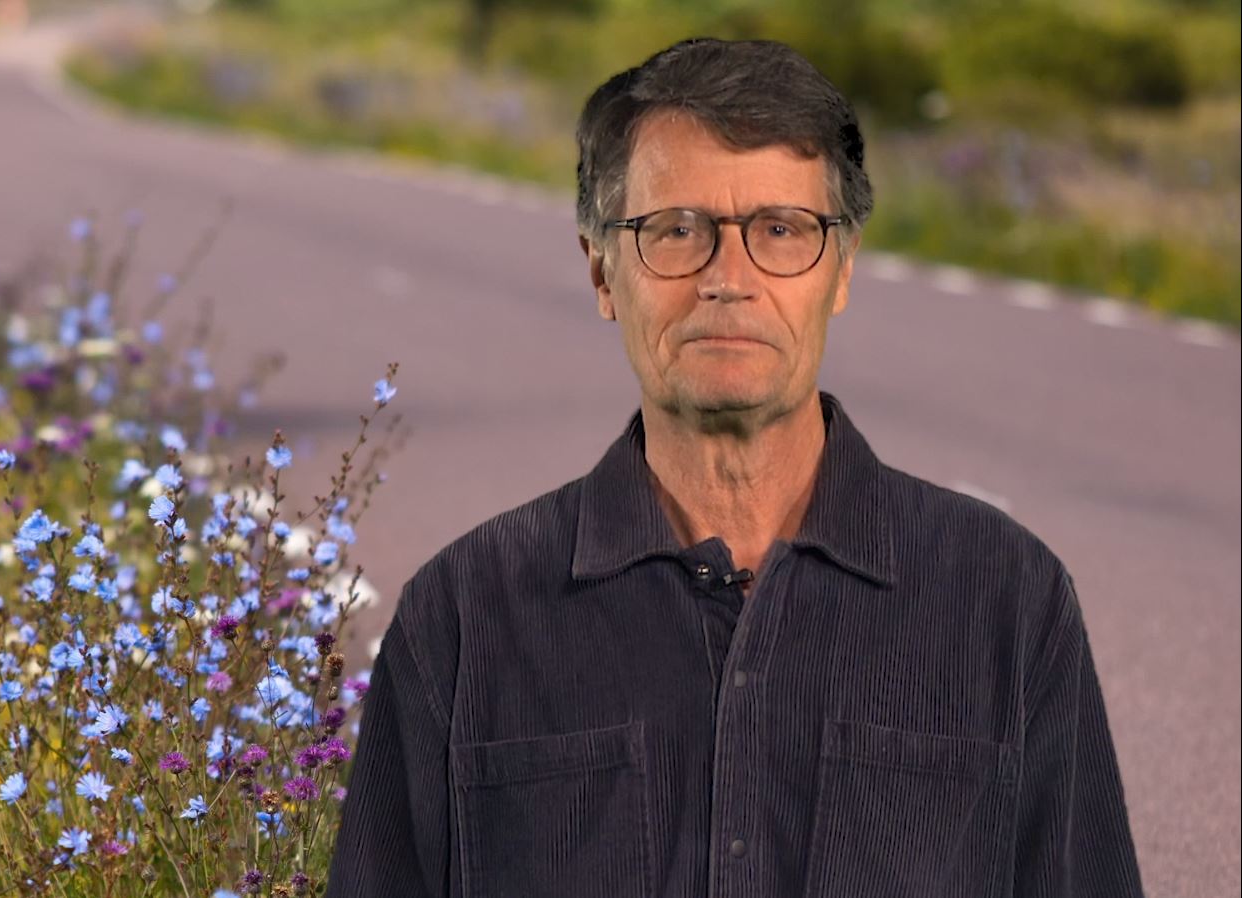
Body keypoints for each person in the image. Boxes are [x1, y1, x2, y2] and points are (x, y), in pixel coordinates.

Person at [325, 37, 1144, 898]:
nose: (729, 278)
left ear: (840, 269)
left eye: (780, 231)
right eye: (675, 231)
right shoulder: (465, 614)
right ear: (601, 270)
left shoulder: (1005, 598)